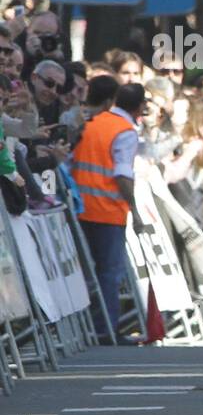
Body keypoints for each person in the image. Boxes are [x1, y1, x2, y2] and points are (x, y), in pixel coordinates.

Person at [70, 82, 147, 345]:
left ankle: (86, 329)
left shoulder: (93, 122)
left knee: (83, 272)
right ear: (140, 107)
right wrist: (135, 210)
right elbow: (123, 174)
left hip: (80, 206)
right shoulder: (125, 131)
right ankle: (106, 330)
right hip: (106, 211)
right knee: (108, 273)